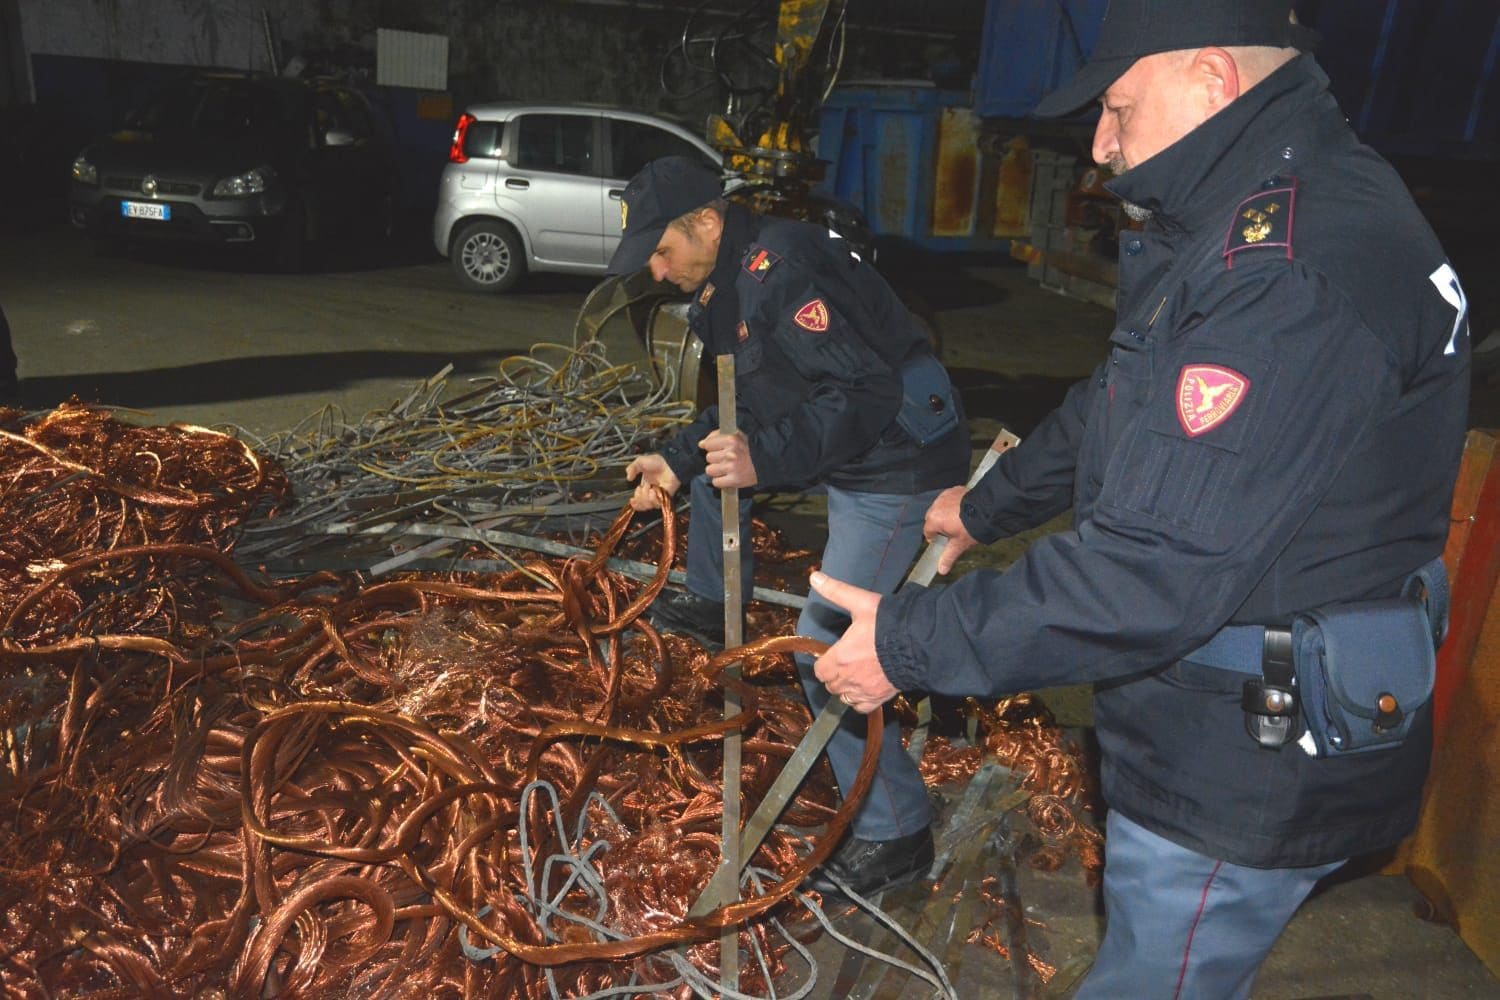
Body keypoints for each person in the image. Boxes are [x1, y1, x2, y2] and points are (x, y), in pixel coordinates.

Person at [807, 1, 1472, 996]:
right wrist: (987, 507)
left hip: (1243, 751)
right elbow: (1125, 403)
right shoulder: (1257, 211)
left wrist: (909, 644)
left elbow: (1152, 567)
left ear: (1211, 78)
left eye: (1118, 109)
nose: (1103, 145)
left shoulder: (1287, 268)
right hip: (1218, 708)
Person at [606, 155, 971, 898]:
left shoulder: (784, 271)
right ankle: (713, 600)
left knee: (826, 648)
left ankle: (894, 834)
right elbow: (754, 398)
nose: (653, 269)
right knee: (715, 477)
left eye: (661, 249)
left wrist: (763, 457)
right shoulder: (728, 278)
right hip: (855, 444)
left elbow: (864, 392)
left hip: (897, 458)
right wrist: (679, 460)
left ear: (706, 222)